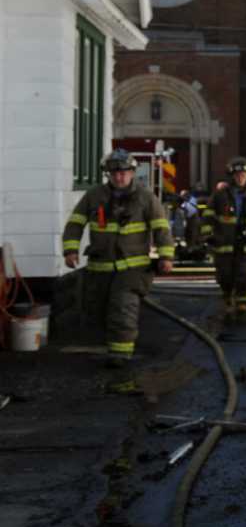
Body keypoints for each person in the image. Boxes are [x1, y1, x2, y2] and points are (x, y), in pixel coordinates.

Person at [61, 150, 174, 367]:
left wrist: (165, 256)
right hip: (100, 268)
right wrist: (70, 250)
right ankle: (113, 347)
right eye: (114, 173)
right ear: (108, 174)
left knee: (123, 308)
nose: (119, 177)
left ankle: (121, 355)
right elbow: (75, 223)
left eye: (124, 172)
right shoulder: (94, 196)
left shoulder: (145, 197)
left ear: (132, 173)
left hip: (134, 269)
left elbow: (161, 229)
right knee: (100, 310)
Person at [201, 158, 246, 319]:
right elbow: (208, 216)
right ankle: (228, 297)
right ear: (232, 176)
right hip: (223, 243)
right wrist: (208, 235)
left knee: (244, 275)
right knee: (225, 275)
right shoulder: (219, 195)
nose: (240, 177)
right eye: (237, 175)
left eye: (243, 175)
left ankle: (243, 306)